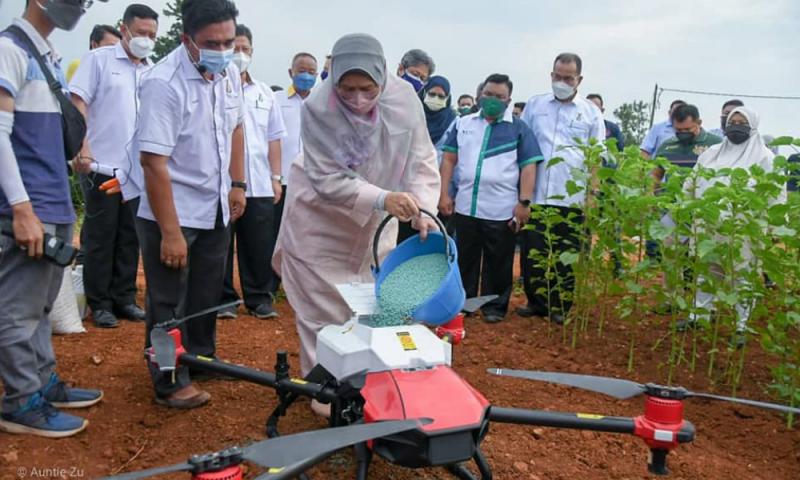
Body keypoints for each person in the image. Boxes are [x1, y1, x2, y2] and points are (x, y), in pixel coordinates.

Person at [272, 34, 440, 416]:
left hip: (377, 223)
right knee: (322, 312)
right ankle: (326, 394)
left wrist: (424, 209)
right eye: (348, 89)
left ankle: (365, 386)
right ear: (334, 79)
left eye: (368, 89)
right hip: (321, 219)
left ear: (383, 77)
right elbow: (327, 178)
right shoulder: (317, 106)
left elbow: (422, 158)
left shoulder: (404, 100)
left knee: (368, 302)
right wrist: (383, 197)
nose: (359, 98)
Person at [0, 0, 104, 438]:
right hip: (28, 204)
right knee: (19, 309)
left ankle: (42, 384)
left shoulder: (48, 55)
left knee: (41, 306)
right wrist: (21, 208)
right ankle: (20, 401)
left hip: (53, 199)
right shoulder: (10, 49)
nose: (79, 5)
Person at [135, 0, 244, 409]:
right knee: (167, 300)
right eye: (212, 43)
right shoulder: (163, 82)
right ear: (186, 40)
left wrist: (237, 183)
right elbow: (152, 161)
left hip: (214, 204)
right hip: (172, 209)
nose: (222, 49)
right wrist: (171, 232)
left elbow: (236, 126)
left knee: (204, 294)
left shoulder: (228, 72)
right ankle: (167, 376)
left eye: (229, 41)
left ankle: (199, 356)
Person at [68, 3, 158, 328]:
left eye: (152, 34)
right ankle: (100, 302)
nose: (146, 39)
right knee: (100, 236)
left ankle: (124, 298)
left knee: (130, 236)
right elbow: (78, 101)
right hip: (101, 166)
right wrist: (83, 146)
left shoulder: (152, 69)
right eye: (141, 32)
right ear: (125, 29)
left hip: (136, 172)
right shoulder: (98, 60)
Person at [678, 107, 785, 348]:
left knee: (742, 275)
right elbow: (692, 181)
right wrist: (686, 205)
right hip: (709, 223)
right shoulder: (712, 154)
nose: (735, 125)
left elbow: (775, 194)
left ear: (753, 126)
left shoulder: (764, 157)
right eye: (731, 121)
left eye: (741, 122)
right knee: (707, 270)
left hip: (744, 228)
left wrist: (774, 229)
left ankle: (741, 324)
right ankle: (700, 314)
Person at [439, 74, 543, 323]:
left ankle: (494, 307)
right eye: (488, 95)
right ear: (480, 95)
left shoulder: (519, 128)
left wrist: (524, 202)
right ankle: (464, 304)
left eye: (499, 97)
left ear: (508, 100)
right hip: (465, 205)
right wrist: (444, 193)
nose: (493, 100)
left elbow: (529, 166)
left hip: (501, 208)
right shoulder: (463, 124)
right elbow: (450, 159)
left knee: (499, 261)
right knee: (465, 258)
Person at [518, 53, 605, 325]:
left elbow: (595, 159)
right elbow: (524, 148)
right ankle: (535, 302)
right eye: (557, 76)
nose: (561, 81)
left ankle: (560, 305)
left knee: (566, 255)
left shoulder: (590, 113)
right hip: (538, 193)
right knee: (534, 252)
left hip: (572, 197)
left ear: (579, 79)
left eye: (568, 78)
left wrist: (592, 196)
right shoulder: (535, 105)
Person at [219, 24, 286, 319]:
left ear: (252, 52)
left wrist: (276, 178)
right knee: (220, 243)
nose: (240, 54)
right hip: (222, 182)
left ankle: (259, 299)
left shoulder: (265, 94)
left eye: (245, 49)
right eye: (235, 48)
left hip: (259, 182)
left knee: (259, 244)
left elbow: (274, 138)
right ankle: (222, 300)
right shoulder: (215, 88)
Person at [270, 51, 318, 295]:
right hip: (284, 179)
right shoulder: (276, 100)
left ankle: (299, 288)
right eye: (302, 70)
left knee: (305, 236)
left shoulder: (322, 104)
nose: (306, 76)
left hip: (312, 182)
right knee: (275, 232)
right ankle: (269, 286)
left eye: (311, 72)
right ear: (291, 72)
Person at [396, 74, 457, 244]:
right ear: (424, 94)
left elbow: (453, 161)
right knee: (402, 238)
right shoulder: (410, 116)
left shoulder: (454, 122)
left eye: (441, 96)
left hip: (437, 193)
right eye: (432, 94)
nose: (436, 99)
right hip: (404, 188)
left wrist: (445, 193)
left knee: (429, 238)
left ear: (448, 98)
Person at [652, 104, 722, 185]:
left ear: (699, 123)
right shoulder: (666, 146)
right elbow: (656, 175)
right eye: (678, 129)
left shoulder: (715, 143)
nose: (683, 133)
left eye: (687, 129)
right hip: (672, 195)